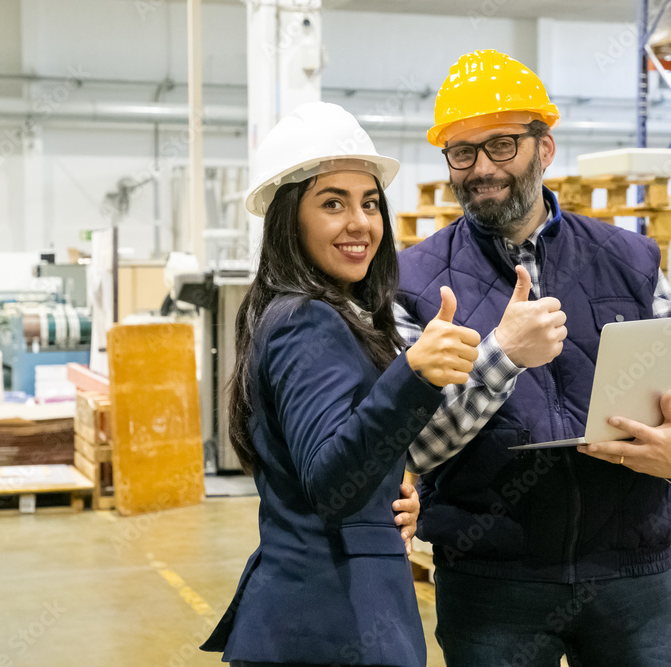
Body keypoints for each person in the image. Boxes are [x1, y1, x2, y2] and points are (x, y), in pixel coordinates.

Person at [396, 50, 671, 667]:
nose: (480, 169)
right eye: (461, 152)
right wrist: (502, 356)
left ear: (543, 150)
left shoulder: (631, 260)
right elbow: (413, 446)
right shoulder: (413, 281)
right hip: (493, 582)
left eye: (500, 146)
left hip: (633, 576)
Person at [199, 101, 483, 667]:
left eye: (370, 203)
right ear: (289, 218)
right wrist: (415, 375)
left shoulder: (324, 314)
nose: (361, 223)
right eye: (333, 203)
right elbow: (331, 482)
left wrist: (388, 496)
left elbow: (337, 462)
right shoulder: (309, 321)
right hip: (330, 626)